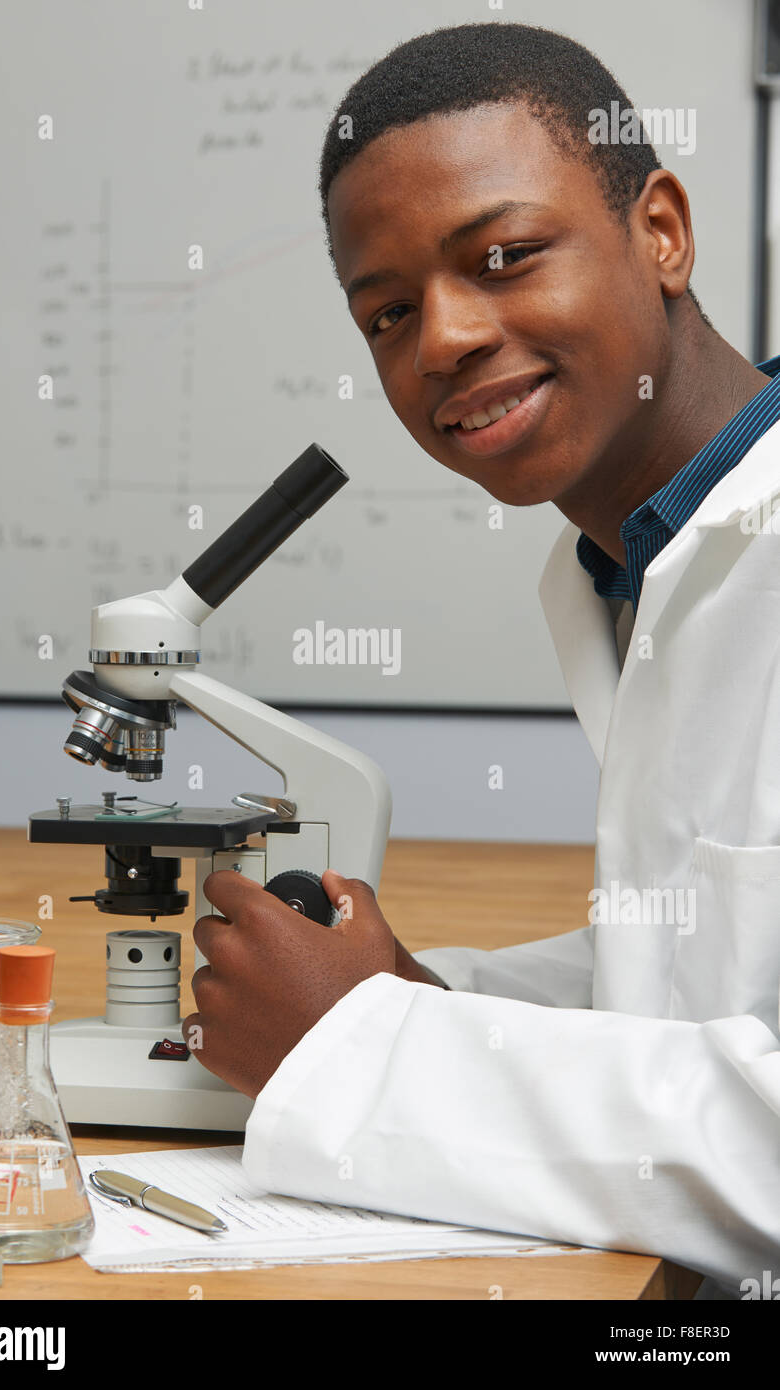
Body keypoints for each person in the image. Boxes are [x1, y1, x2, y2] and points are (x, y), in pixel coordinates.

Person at [182, 22, 780, 1296]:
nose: (440, 340)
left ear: (660, 232)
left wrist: (370, 1041)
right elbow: (701, 968)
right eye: (386, 311)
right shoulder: (620, 570)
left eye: (502, 257)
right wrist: (414, 988)